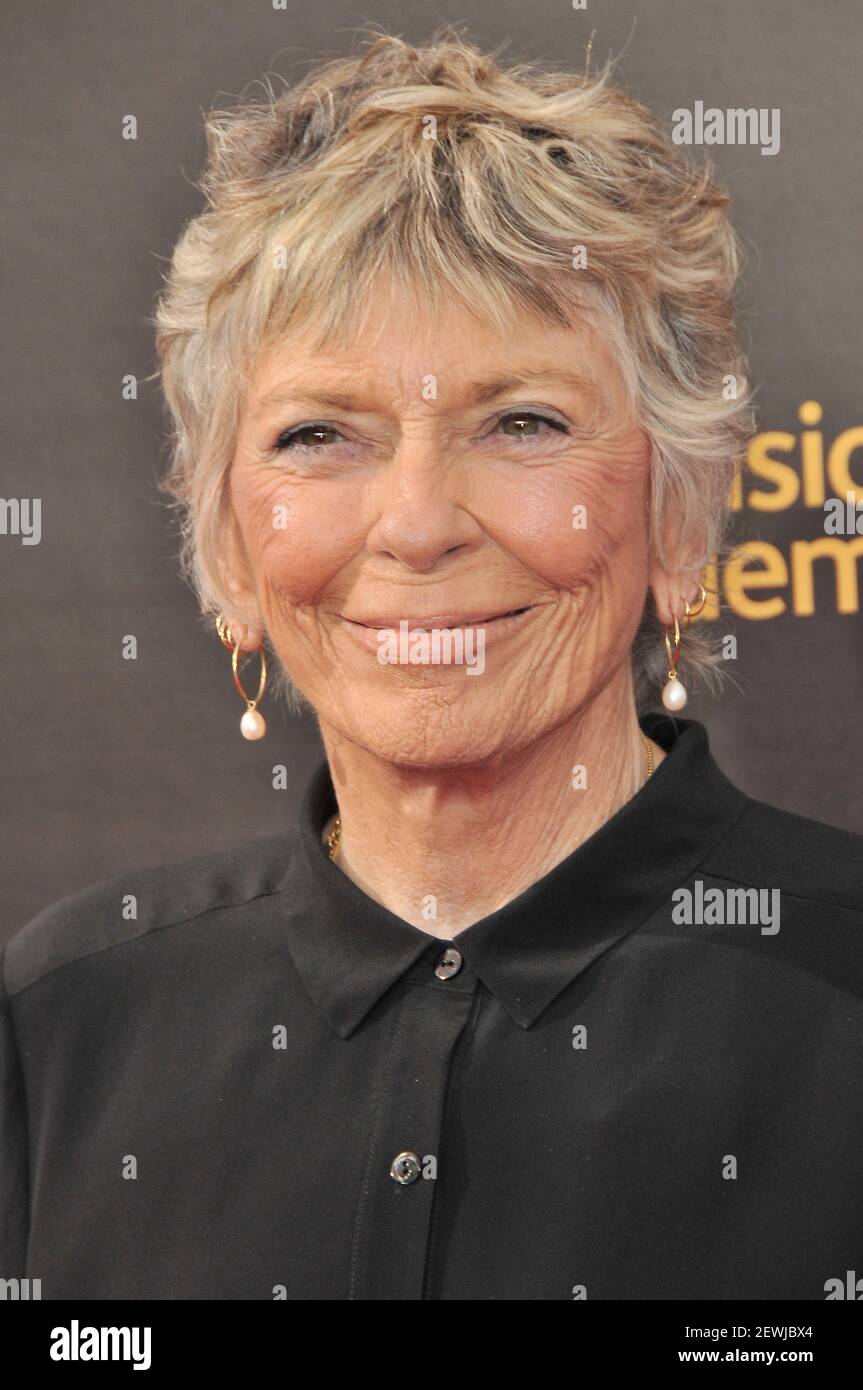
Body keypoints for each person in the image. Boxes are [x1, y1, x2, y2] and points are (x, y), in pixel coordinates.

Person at [2, 30, 862, 1301]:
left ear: (678, 519)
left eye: (520, 422)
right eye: (317, 435)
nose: (415, 521)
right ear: (230, 548)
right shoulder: (64, 1021)